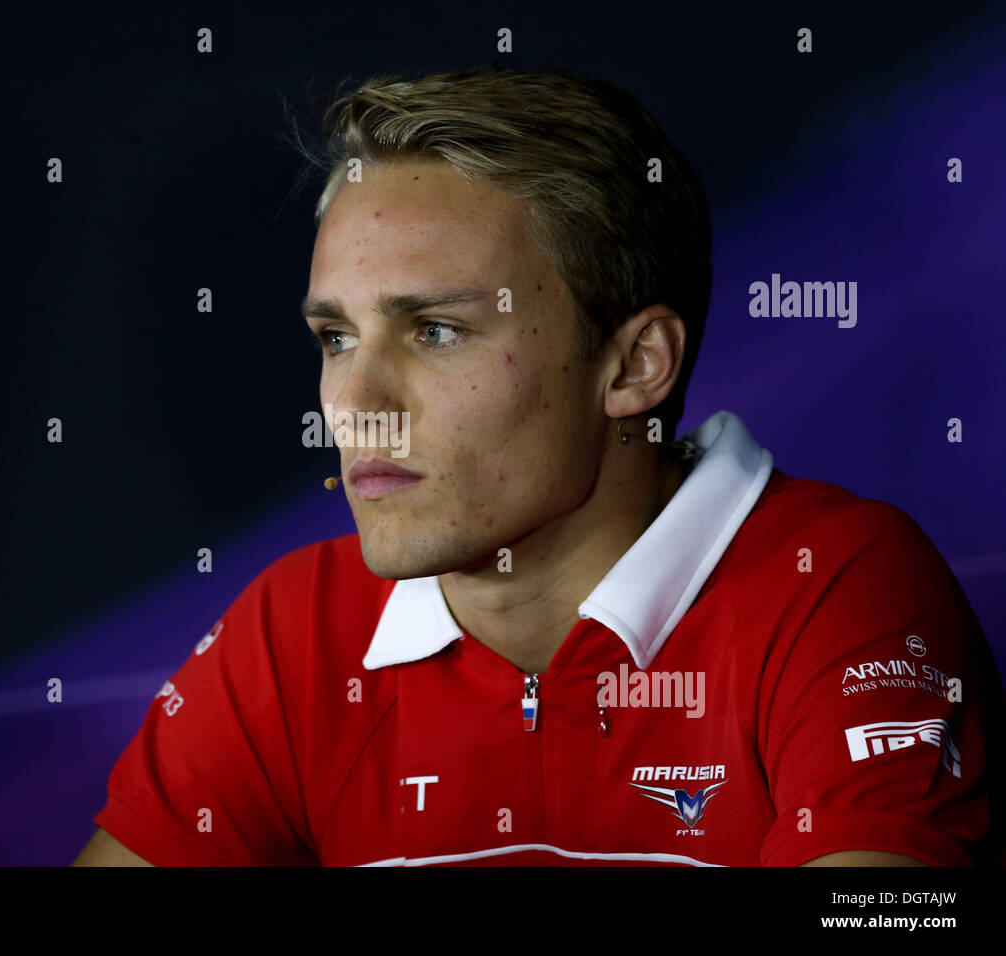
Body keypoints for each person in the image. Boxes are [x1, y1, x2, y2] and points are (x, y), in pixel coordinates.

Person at [73, 67, 1003, 867]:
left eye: (435, 330)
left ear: (636, 365)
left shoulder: (835, 583)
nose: (354, 404)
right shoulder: (295, 629)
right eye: (335, 336)